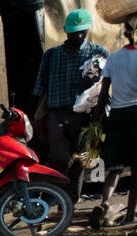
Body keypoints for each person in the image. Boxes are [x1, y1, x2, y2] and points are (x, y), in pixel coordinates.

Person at [34, 10, 108, 200]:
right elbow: (41, 89)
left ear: (87, 30)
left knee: (79, 162)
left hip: (84, 117)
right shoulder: (51, 55)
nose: (78, 36)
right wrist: (39, 118)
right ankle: (52, 199)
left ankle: (69, 203)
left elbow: (104, 87)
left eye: (81, 32)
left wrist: (98, 118)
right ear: (65, 31)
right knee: (59, 159)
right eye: (74, 32)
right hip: (57, 114)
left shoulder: (98, 52)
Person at [93, 13, 137, 226]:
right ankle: (130, 214)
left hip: (117, 115)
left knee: (115, 165)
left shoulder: (114, 58)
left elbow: (104, 93)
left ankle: (105, 202)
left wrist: (96, 121)